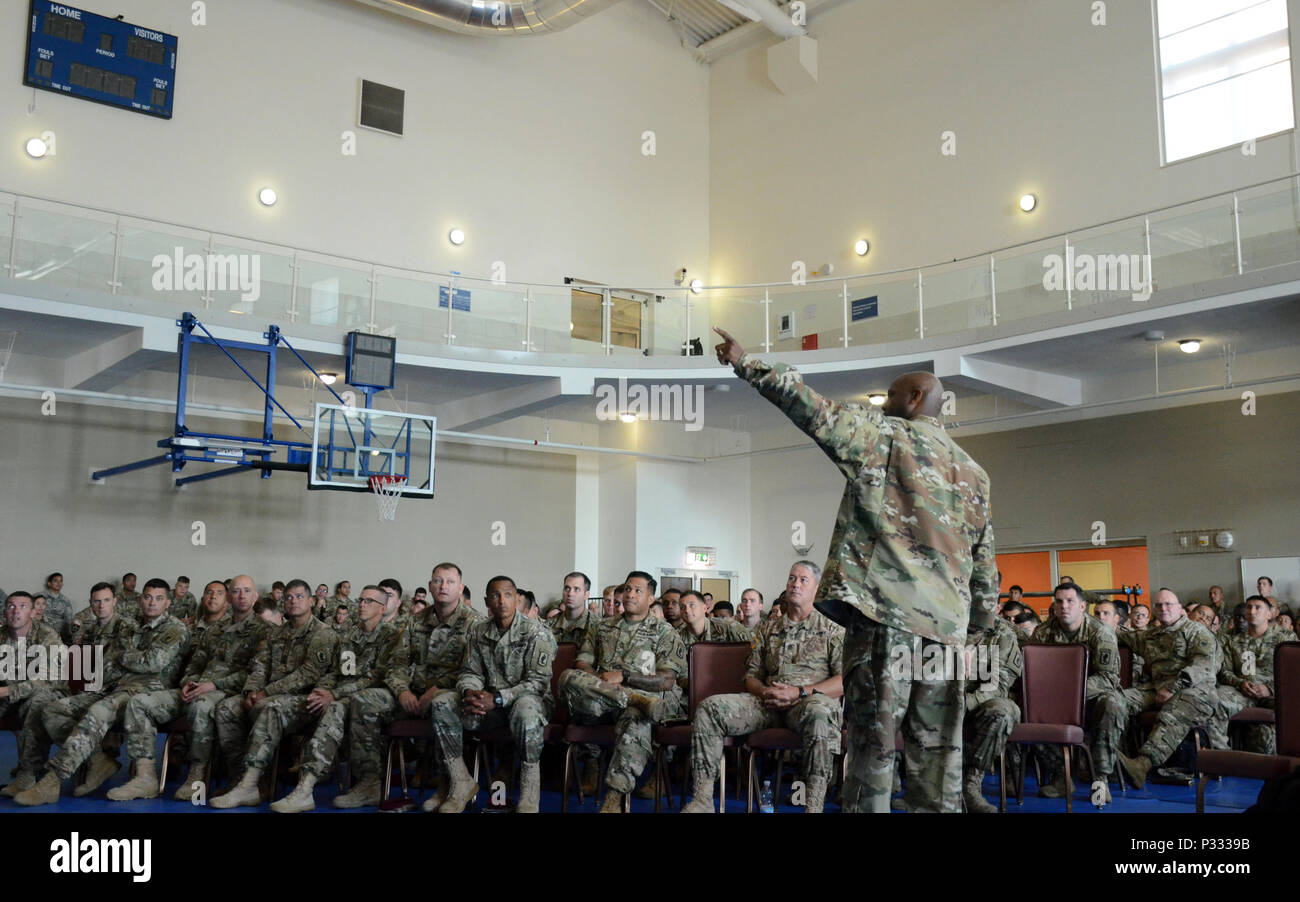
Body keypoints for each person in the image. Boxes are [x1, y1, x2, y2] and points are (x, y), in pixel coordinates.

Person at [713, 329, 998, 813]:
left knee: (873, 753)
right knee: (939, 760)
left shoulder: (884, 438)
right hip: (946, 637)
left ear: (914, 398)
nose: (883, 405)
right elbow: (984, 567)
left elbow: (813, 410)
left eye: (889, 397)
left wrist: (747, 363)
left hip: (886, 623)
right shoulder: (974, 473)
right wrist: (974, 631)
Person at [683, 561, 844, 813]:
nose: (795, 584)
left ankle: (813, 805)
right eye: (792, 578)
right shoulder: (768, 628)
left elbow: (843, 681)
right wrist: (764, 692)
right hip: (766, 703)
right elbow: (751, 676)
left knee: (821, 713)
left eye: (803, 580)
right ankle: (702, 798)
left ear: (817, 588)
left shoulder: (832, 630)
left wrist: (799, 692)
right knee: (710, 708)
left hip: (807, 704)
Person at [16, 579, 189, 806]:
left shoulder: (175, 628)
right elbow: (110, 661)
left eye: (158, 598)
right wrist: (126, 659)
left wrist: (125, 657)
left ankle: (52, 781)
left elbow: (154, 662)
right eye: (147, 597)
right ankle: (98, 759)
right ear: (140, 599)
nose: (152, 603)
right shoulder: (134, 626)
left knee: (97, 712)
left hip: (147, 691)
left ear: (167, 603)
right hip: (115, 687)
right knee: (52, 710)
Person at [108, 576, 267, 802]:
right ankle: (145, 778)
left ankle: (196, 776)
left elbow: (255, 672)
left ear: (255, 596)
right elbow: (197, 662)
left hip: (226, 691)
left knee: (201, 706)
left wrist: (213, 684)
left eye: (247, 591)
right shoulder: (217, 628)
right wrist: (188, 683)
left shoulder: (265, 631)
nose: (241, 595)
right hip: (196, 687)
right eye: (236, 591)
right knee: (139, 702)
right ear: (230, 597)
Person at [270, 586, 406, 813]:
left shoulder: (391, 636)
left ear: (382, 608)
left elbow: (376, 677)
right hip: (345, 696)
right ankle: (303, 783)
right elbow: (341, 671)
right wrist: (322, 690)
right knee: (319, 704)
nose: (361, 605)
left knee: (336, 708)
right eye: (360, 600)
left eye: (369, 601)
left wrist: (335, 695)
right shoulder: (349, 636)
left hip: (378, 699)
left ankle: (307, 786)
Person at [558, 571, 685, 813]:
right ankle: (628, 697)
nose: (630, 594)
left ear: (650, 598)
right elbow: (583, 663)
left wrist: (626, 677)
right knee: (567, 678)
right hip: (601, 702)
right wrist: (605, 684)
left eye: (638, 590)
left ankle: (614, 797)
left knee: (636, 720)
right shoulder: (602, 627)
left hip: (638, 704)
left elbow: (667, 680)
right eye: (627, 589)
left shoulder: (665, 632)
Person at [429, 576, 557, 813]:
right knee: (443, 703)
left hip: (529, 703)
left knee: (526, 708)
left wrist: (497, 698)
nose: (502, 601)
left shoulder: (537, 632)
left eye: (508, 595)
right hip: (487, 705)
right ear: (487, 601)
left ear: (517, 598)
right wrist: (470, 692)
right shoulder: (479, 631)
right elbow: (470, 671)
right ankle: (460, 782)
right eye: (495, 596)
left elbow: (538, 683)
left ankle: (529, 791)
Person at [210, 579, 339, 808]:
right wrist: (251, 691)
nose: (293, 601)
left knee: (270, 709)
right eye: (288, 597)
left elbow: (308, 674)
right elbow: (260, 665)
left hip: (306, 700)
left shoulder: (323, 633)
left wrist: (266, 692)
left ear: (311, 601)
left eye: (299, 597)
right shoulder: (275, 634)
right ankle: (239, 778)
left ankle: (250, 783)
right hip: (268, 694)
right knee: (226, 708)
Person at [394, 563, 485, 812]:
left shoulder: (474, 623)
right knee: (367, 700)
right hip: (414, 695)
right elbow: (397, 664)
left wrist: (437, 688)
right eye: (437, 581)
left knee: (442, 703)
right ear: (430, 586)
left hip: (451, 694)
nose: (443, 586)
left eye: (450, 582)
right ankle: (369, 783)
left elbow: (475, 670)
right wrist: (403, 691)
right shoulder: (415, 622)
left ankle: (452, 785)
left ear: (461, 588)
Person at [1027, 583, 1125, 803]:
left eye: (1070, 601)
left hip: (1093, 696)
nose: (1064, 606)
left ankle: (1100, 780)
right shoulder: (1043, 633)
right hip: (1054, 698)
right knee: (1028, 705)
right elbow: (1033, 673)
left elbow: (1109, 678)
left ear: (1082, 606)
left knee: (1113, 703)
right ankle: (1062, 777)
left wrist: (1070, 693)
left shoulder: (1101, 633)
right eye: (1059, 601)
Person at [1115, 589, 1218, 788]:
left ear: (1180, 608)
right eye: (1159, 605)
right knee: (1115, 699)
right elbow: (1120, 635)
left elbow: (1202, 666)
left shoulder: (1196, 631)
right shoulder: (1150, 636)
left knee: (1173, 709)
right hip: (1157, 689)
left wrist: (1173, 687)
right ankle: (1111, 761)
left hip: (1196, 692)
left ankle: (1142, 765)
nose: (1164, 608)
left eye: (1169, 604)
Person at [0, 591, 70, 797]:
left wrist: (7, 691)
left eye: (22, 606)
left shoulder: (47, 636)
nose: (16, 611)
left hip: (50, 691)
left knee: (36, 703)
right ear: (4, 611)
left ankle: (27, 775)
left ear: (32, 612)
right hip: (10, 692)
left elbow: (47, 678)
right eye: (11, 606)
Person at [1209, 595, 1290, 753]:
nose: (1252, 611)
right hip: (1242, 692)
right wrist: (1240, 683)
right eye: (1248, 607)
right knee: (1213, 699)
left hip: (1275, 694)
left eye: (1258, 607)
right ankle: (1221, 759)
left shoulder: (1284, 638)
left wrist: (1269, 688)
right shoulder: (1233, 640)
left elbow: (1292, 673)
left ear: (1269, 614)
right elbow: (1225, 671)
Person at [961, 611, 1022, 813]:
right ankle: (923, 786)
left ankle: (970, 785)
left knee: (1001, 712)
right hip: (946, 699)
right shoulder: (942, 622)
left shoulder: (1002, 634)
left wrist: (965, 702)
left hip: (984, 701)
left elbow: (998, 685)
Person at [675, 590, 751, 691]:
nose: (687, 610)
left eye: (692, 605)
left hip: (733, 683)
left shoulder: (728, 628)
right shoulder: (676, 636)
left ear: (705, 608)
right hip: (694, 688)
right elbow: (681, 673)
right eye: (682, 607)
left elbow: (753, 654)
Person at [40, 573, 74, 641]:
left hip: (59, 633)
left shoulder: (65, 600)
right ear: (49, 583)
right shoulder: (40, 596)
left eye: (61, 581)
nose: (58, 583)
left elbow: (68, 619)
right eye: (55, 581)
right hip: (42, 629)